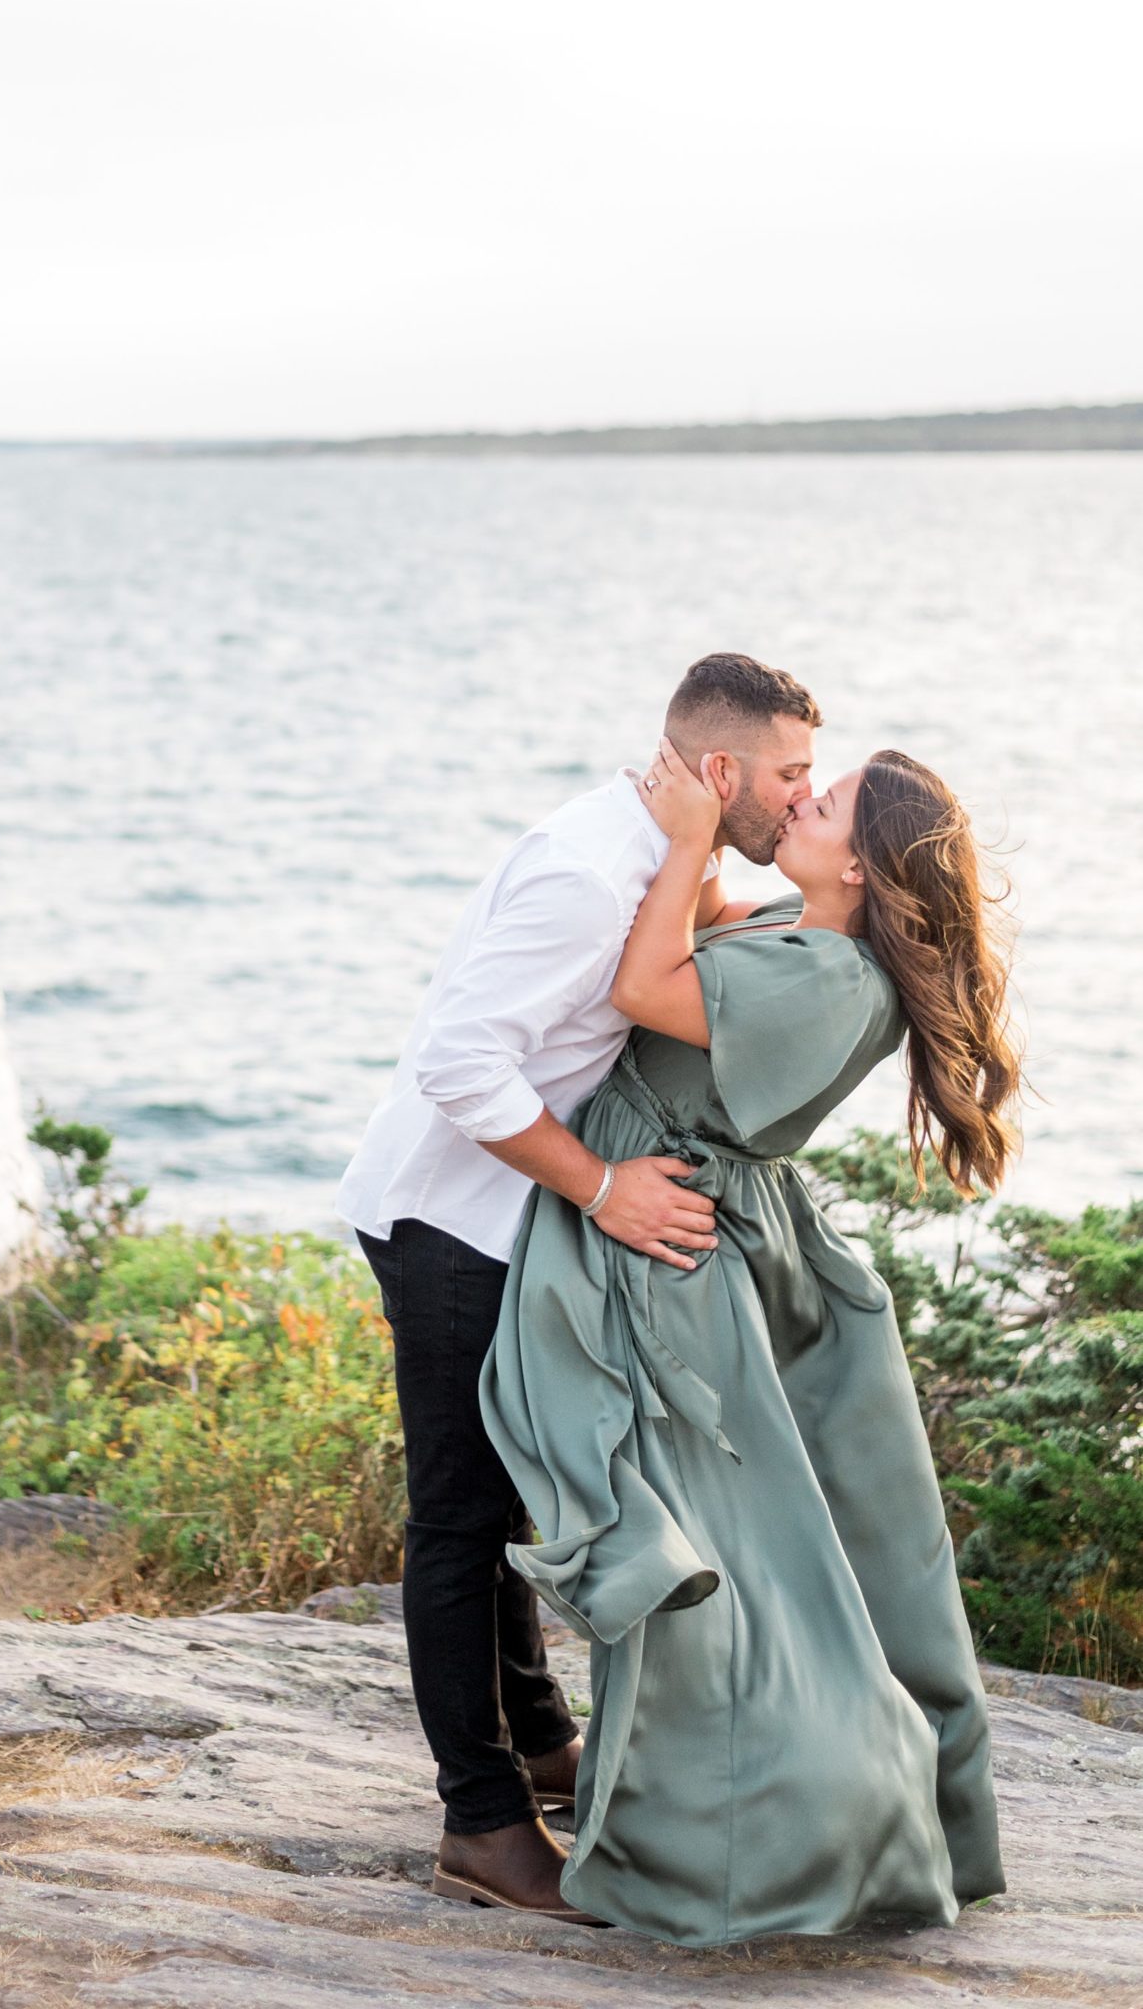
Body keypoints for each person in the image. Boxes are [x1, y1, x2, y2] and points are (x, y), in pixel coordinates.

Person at [477, 737, 1022, 1944]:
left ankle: (766, 1835)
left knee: (708, 1555)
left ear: (863, 869)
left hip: (664, 1235)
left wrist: (680, 838)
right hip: (666, 1210)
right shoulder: (809, 928)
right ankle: (708, 1803)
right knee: (711, 1540)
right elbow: (714, 921)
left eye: (818, 802)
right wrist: (706, 826)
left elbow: (644, 990)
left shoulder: (834, 974)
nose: (798, 804)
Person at [337, 653, 823, 1916]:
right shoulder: (581, 873)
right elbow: (459, 1064)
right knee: (457, 1518)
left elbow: (648, 961)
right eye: (790, 775)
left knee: (506, 1493)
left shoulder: (646, 848)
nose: (802, 794)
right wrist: (600, 1190)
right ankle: (481, 1823)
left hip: (504, 1222)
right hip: (450, 1220)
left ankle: (539, 1739)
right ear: (719, 773)